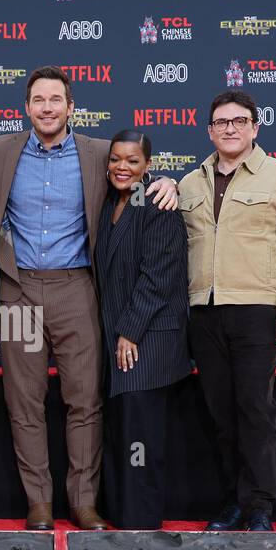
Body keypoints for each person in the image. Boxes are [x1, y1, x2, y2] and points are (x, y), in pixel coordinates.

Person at [0, 65, 177, 531]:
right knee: (23, 400)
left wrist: (169, 182)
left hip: (77, 289)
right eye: (38, 100)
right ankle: (38, 504)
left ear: (72, 107)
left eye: (56, 100)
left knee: (84, 400)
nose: (46, 108)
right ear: (26, 108)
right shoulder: (2, 150)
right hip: (18, 291)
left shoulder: (96, 153)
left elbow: (136, 173)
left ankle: (83, 502)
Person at [178, 90, 276, 532]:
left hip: (257, 310)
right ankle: (232, 502)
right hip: (205, 311)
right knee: (221, 414)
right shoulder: (190, 183)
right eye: (221, 122)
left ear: (255, 127)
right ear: (209, 130)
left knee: (255, 409)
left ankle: (259, 506)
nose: (230, 128)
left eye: (239, 121)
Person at [94, 130, 191, 529]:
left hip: (147, 341)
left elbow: (158, 276)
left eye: (132, 161)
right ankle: (121, 514)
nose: (122, 167)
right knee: (123, 430)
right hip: (118, 338)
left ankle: (141, 522)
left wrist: (130, 332)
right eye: (115, 159)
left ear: (148, 165)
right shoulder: (108, 202)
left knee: (142, 439)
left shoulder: (158, 204)